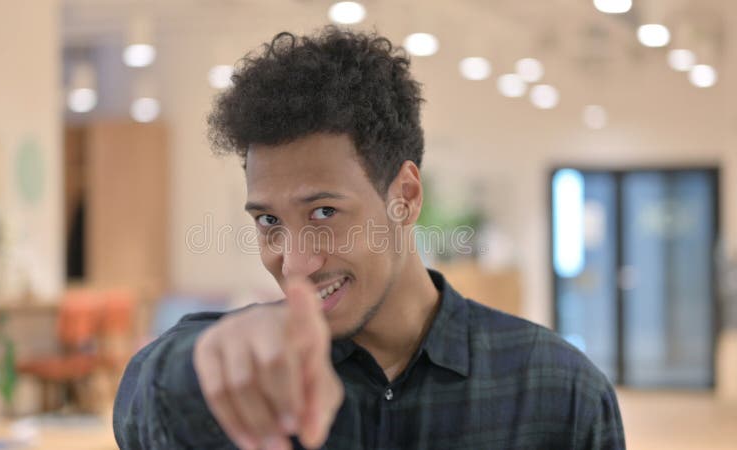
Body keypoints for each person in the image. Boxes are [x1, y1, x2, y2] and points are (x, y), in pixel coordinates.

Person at [113, 27, 625, 450]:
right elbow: (142, 405)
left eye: (323, 212)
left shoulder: (559, 393)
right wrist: (200, 368)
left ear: (405, 196)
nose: (295, 263)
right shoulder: (253, 383)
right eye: (269, 221)